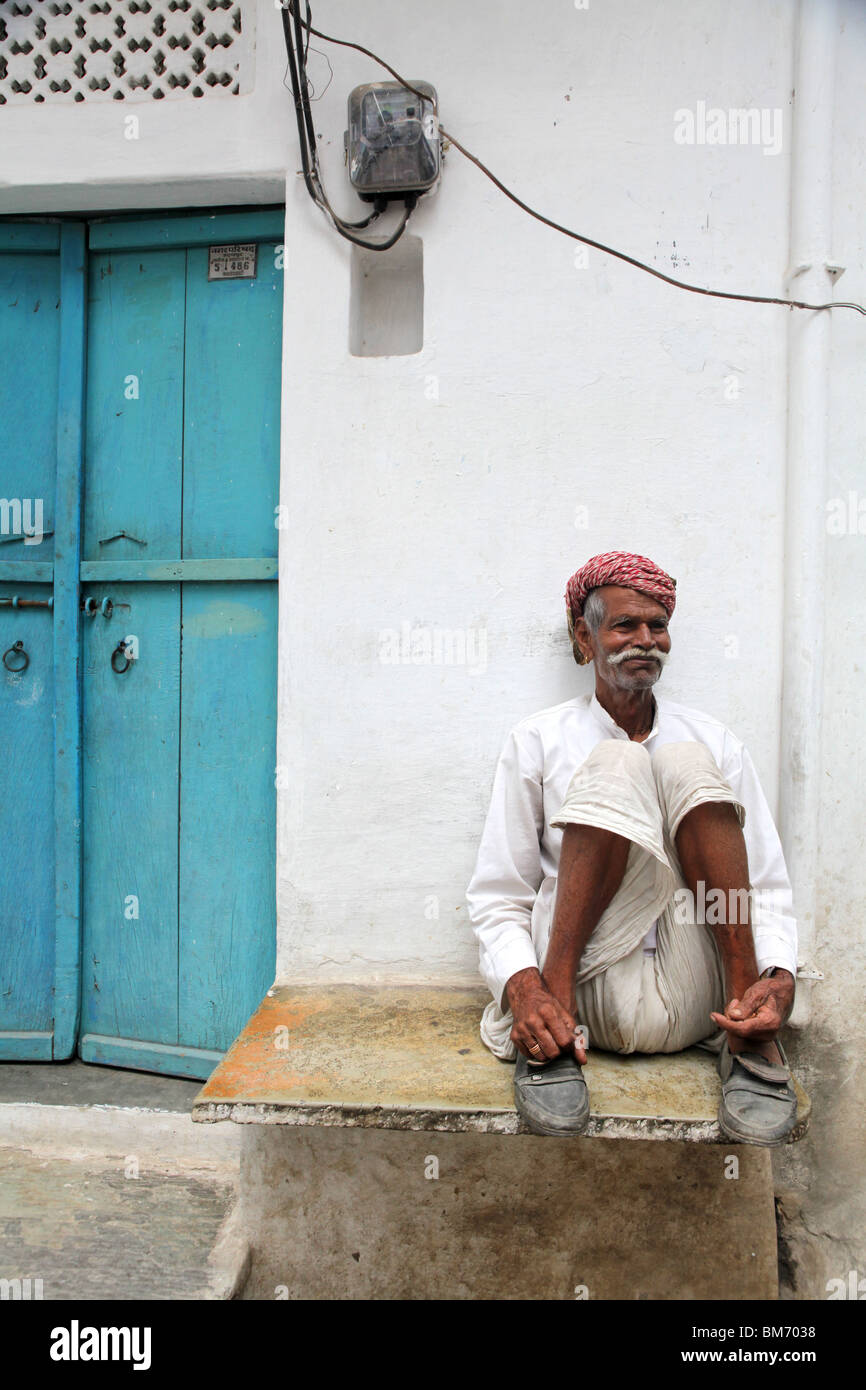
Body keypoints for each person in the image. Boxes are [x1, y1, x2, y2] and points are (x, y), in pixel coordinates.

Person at [466, 551, 798, 1145]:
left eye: (657, 626)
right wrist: (527, 992)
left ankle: (750, 1031)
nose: (645, 641)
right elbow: (499, 896)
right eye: (625, 626)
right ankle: (554, 1028)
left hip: (701, 994)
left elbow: (767, 886)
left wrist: (780, 977)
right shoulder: (538, 740)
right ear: (584, 638)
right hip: (579, 988)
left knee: (681, 761)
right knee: (619, 762)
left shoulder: (715, 741)